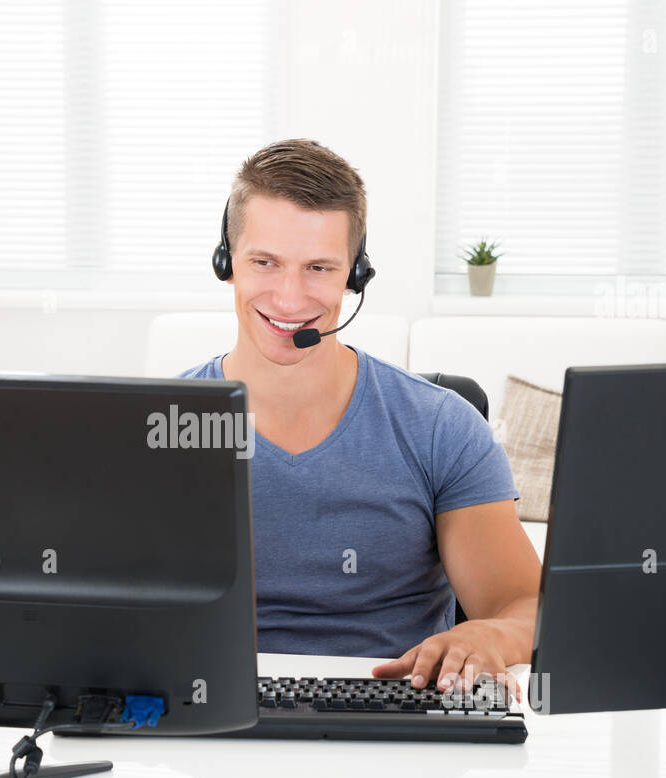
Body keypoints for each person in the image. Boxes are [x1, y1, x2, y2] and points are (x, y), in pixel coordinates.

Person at [180, 138, 540, 700]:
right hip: (212, 710)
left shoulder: (440, 427)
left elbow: (526, 603)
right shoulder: (156, 427)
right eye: (265, 262)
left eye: (319, 267)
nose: (290, 296)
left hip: (397, 715)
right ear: (226, 262)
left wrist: (493, 635)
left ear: (356, 275)